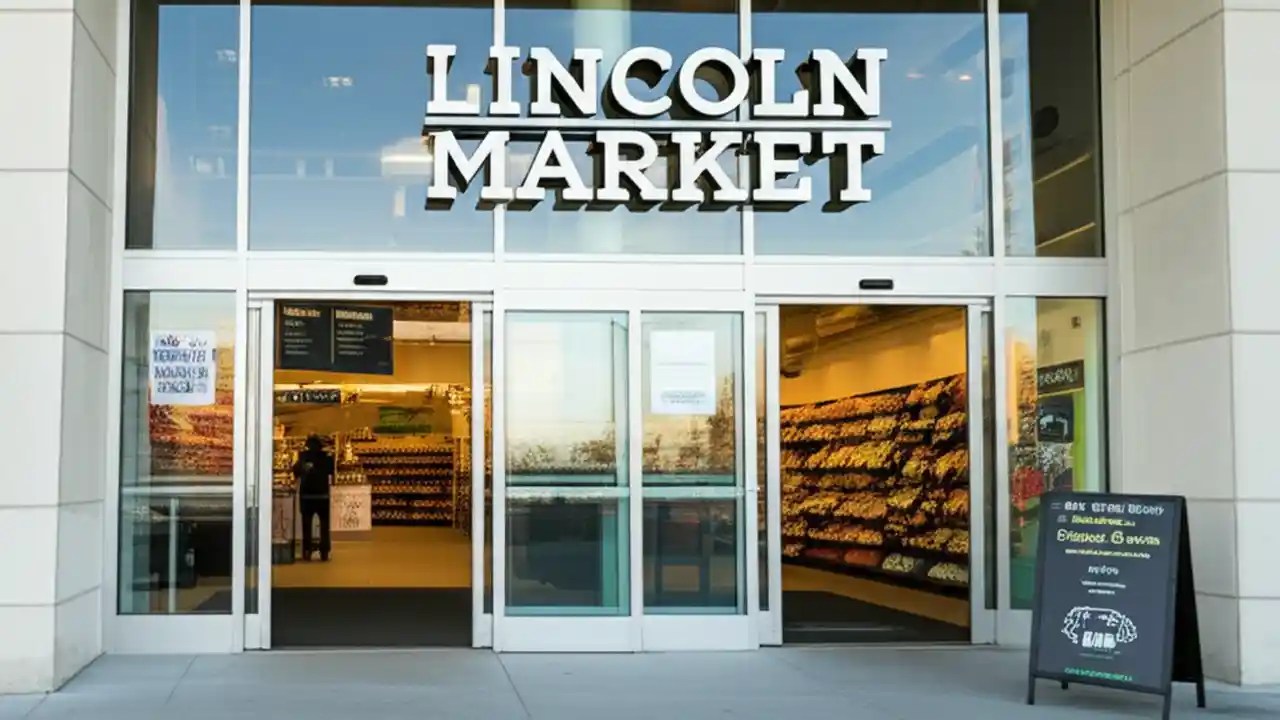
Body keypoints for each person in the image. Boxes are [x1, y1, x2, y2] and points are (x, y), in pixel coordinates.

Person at [293, 435, 335, 561]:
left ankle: (307, 550)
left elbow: (296, 471)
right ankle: (324, 551)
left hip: (307, 496)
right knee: (324, 524)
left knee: (306, 524)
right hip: (323, 495)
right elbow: (331, 471)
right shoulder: (327, 457)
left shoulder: (303, 456)